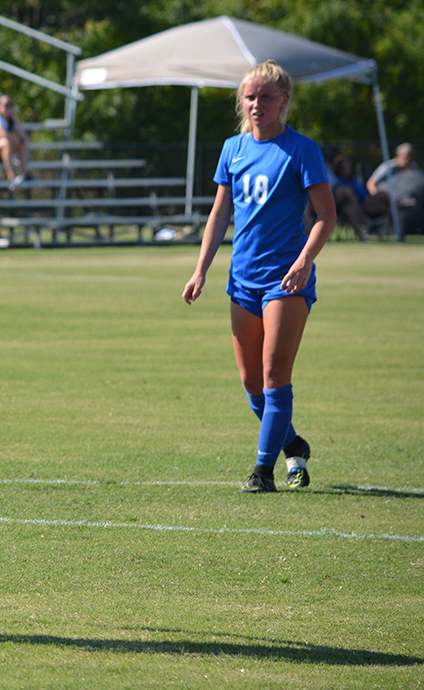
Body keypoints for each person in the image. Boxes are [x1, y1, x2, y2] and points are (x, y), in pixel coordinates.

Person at [182, 60, 335, 493]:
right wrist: (200, 270)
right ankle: (294, 445)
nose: (256, 104)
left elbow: (326, 215)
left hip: (286, 281)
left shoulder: (302, 149)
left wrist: (305, 260)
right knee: (252, 384)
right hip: (242, 280)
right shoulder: (232, 149)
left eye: (266, 96)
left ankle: (262, 472)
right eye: (250, 97)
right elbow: (220, 214)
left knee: (273, 377)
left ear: (283, 101)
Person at [365, 143, 423, 235]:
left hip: (404, 200)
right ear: (398, 156)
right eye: (405, 157)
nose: (407, 160)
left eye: (410, 157)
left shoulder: (413, 170)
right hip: (384, 199)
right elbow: (371, 183)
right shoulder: (388, 167)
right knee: (396, 204)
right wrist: (377, 196)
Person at [0, 94, 31, 182]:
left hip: (7, 151)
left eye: (10, 105)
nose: (8, 107)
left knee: (24, 143)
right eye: (5, 105)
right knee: (6, 142)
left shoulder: (10, 119)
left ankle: (25, 174)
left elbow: (23, 137)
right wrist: (16, 139)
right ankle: (11, 176)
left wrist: (15, 120)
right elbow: (1, 133)